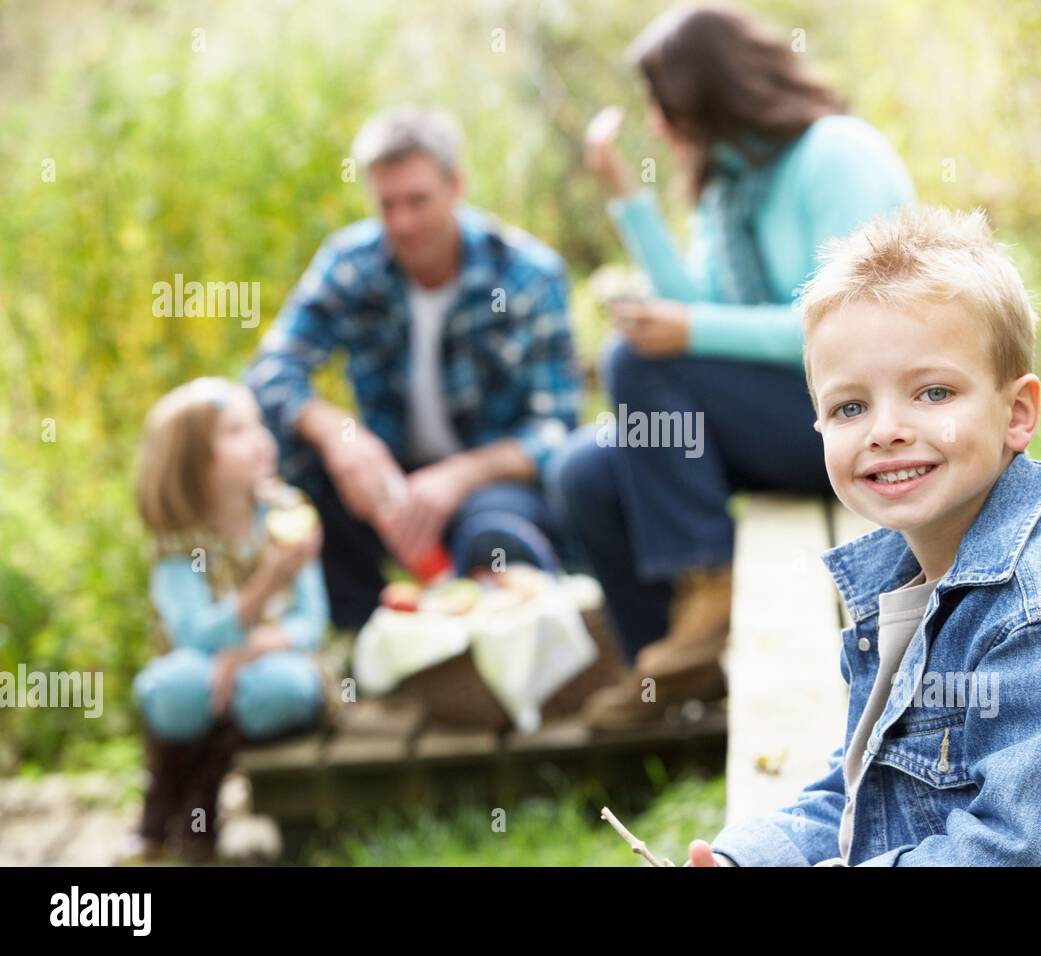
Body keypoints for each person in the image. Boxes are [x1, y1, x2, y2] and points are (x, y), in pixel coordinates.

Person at [684, 206, 1041, 865]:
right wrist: (747, 857)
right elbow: (865, 791)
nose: (885, 429)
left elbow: (1020, 853)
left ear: (1018, 412)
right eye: (850, 407)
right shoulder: (903, 583)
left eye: (933, 393)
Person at [551, 4, 915, 728]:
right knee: (582, 472)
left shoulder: (834, 155)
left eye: (663, 105)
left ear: (710, 93)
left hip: (865, 415)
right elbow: (699, 305)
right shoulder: (732, 186)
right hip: (778, 415)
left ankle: (707, 581)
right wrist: (627, 197)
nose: (655, 124)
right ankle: (668, 680)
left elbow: (846, 328)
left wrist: (684, 329)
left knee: (641, 362)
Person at [246, 106, 583, 629]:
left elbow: (556, 426)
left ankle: (501, 660)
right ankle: (369, 649)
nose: (402, 222)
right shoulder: (352, 263)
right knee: (281, 460)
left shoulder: (526, 274)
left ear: (457, 187)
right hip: (386, 485)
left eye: (418, 201)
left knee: (495, 536)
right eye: (387, 204)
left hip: (489, 483)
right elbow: (273, 369)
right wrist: (341, 435)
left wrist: (458, 477)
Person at [130, 377, 329, 862]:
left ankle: (200, 795)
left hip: (271, 663)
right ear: (194, 462)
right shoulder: (179, 543)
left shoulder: (288, 515)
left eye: (259, 424)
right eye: (236, 431)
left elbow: (311, 622)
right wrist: (264, 584)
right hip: (202, 670)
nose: (262, 439)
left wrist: (252, 650)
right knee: (176, 686)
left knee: (278, 688)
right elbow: (193, 634)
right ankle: (171, 805)